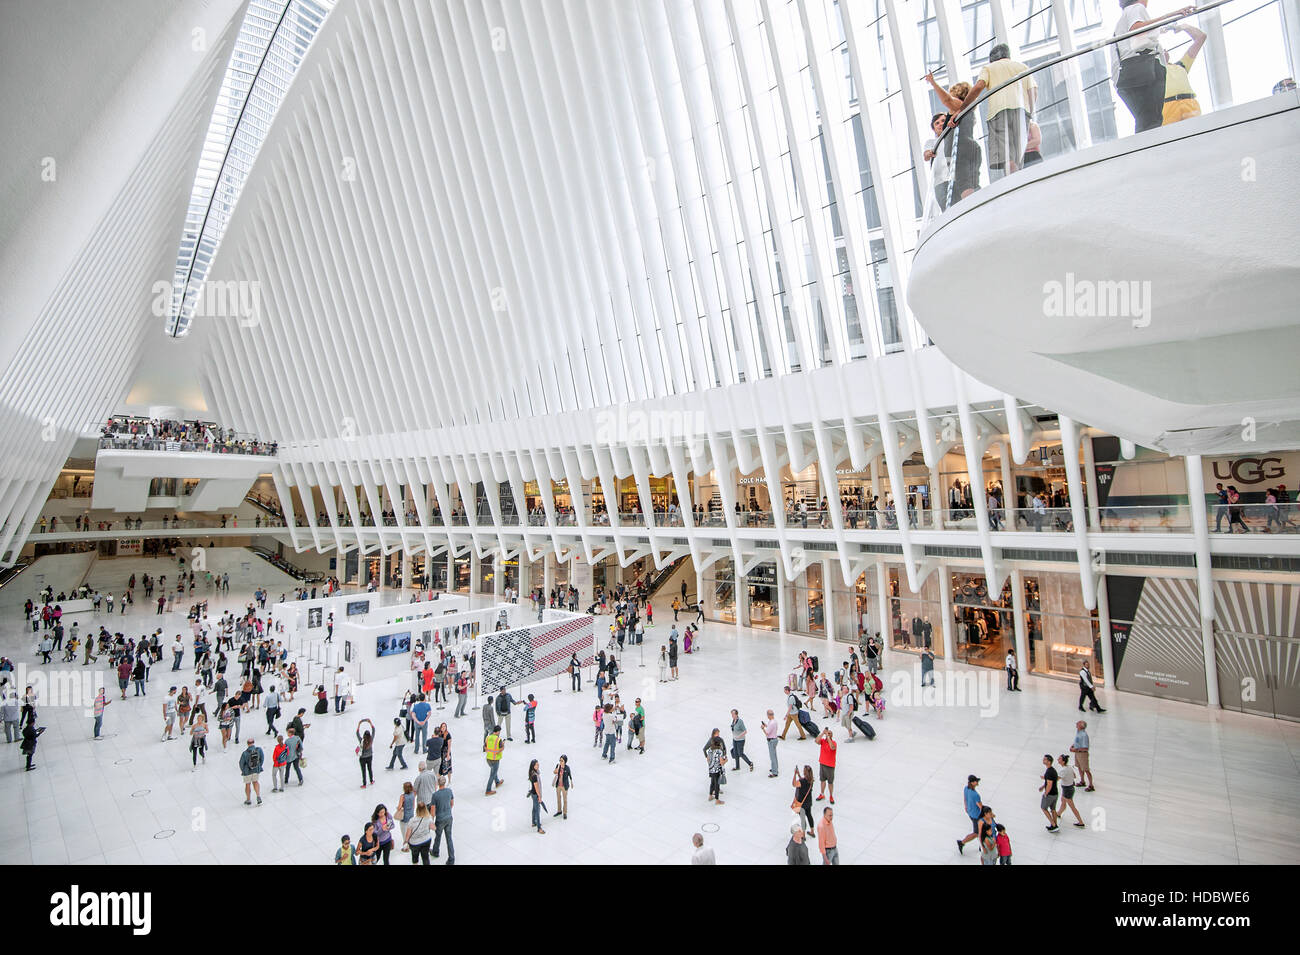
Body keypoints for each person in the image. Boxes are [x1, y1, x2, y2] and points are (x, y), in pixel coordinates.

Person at [959, 43, 1037, 181]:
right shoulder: (1022, 67)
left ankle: (1013, 183)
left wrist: (963, 107)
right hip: (1021, 112)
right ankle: (1020, 180)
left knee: (1006, 154)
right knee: (1018, 153)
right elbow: (1033, 91)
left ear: (992, 58)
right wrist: (1029, 111)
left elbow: (978, 86)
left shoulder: (989, 68)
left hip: (998, 112)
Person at [1113, 1, 1191, 133]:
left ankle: (1148, 151)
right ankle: (1153, 152)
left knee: (1146, 121)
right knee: (1152, 122)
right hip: (1144, 71)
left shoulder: (1125, 15)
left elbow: (1139, 37)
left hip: (1129, 75)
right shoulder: (1136, 8)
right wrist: (1168, 16)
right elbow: (1137, 29)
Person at [924, 75, 981, 201]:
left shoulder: (961, 106)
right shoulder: (963, 111)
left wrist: (933, 83)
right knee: (968, 184)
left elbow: (947, 100)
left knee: (965, 185)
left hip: (961, 151)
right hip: (967, 150)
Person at [1161, 22, 1206, 124]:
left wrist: (1184, 27)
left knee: (1198, 135)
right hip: (1167, 106)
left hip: (1190, 103)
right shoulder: (1154, 70)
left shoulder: (1181, 65)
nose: (1163, 51)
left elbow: (1201, 38)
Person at [923, 112, 954, 211]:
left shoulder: (954, 137)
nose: (940, 124)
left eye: (943, 121)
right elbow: (926, 155)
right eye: (937, 123)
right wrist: (930, 153)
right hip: (940, 182)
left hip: (956, 178)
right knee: (947, 210)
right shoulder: (931, 142)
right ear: (933, 129)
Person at [1056, 754, 1087, 828]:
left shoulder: (1063, 770)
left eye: (1059, 759)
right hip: (1070, 788)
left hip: (1067, 790)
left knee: (1072, 807)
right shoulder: (1069, 767)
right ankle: (1058, 813)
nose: (1058, 759)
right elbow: (1074, 776)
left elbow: (1057, 779)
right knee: (1063, 801)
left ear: (1063, 761)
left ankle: (1081, 822)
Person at [957, 775, 984, 853]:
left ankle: (981, 845)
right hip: (976, 815)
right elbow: (981, 807)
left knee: (981, 830)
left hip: (970, 812)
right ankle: (962, 842)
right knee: (976, 832)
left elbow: (965, 799)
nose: (977, 782)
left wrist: (966, 807)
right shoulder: (976, 795)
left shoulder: (966, 788)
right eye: (976, 781)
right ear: (972, 783)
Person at [431, 775, 454, 864]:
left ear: (437, 783)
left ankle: (435, 851)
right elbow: (452, 804)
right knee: (449, 838)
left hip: (440, 819)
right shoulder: (449, 791)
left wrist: (432, 820)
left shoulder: (435, 795)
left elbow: (433, 810)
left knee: (438, 836)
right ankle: (451, 858)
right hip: (448, 817)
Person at [1071, 719, 1096, 791]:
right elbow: (1077, 742)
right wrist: (1073, 746)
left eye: (1078, 723)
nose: (1076, 723)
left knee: (1085, 769)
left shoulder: (1084, 735)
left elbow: (1085, 748)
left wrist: (1076, 750)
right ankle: (1082, 781)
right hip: (1078, 753)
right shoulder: (1078, 732)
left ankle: (1091, 785)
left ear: (1081, 726)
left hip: (1082, 754)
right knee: (1079, 767)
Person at [239, 738, 264, 806]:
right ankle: (258, 797)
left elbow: (241, 763)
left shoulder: (245, 753)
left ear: (247, 744)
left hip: (247, 771)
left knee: (247, 784)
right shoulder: (259, 750)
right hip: (256, 770)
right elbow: (262, 758)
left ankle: (248, 799)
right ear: (254, 742)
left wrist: (244, 770)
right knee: (255, 782)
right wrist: (259, 766)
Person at [1040, 753, 1061, 832]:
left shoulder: (1049, 772)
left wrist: (1046, 793)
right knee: (1053, 809)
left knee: (1044, 808)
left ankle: (1053, 824)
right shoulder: (1052, 770)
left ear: (1049, 762)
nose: (1043, 760)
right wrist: (1043, 786)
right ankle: (1055, 824)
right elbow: (1048, 781)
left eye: (1045, 759)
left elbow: (1049, 784)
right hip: (1055, 793)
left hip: (1050, 794)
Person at [815, 728, 837, 803]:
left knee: (830, 782)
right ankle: (822, 794)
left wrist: (828, 737)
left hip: (830, 765)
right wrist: (822, 733)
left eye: (830, 733)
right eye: (828, 733)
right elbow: (816, 741)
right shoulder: (823, 741)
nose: (828, 734)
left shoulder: (834, 743)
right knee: (822, 780)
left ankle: (831, 796)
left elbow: (832, 747)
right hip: (822, 763)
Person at [792, 765, 815, 834]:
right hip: (808, 802)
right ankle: (812, 831)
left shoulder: (801, 781)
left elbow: (794, 784)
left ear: (804, 772)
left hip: (801, 803)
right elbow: (803, 781)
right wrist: (799, 775)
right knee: (809, 815)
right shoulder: (811, 780)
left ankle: (803, 835)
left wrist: (795, 774)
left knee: (802, 818)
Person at [730, 709, 754, 773]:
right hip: (735, 740)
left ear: (736, 714)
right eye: (731, 714)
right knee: (735, 753)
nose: (732, 715)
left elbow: (745, 731)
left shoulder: (740, 721)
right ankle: (737, 766)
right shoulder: (733, 720)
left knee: (740, 753)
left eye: (733, 714)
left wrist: (739, 736)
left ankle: (750, 763)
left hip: (740, 740)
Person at [527, 759, 546, 834]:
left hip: (533, 793)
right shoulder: (534, 775)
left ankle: (533, 822)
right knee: (537, 810)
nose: (538, 766)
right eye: (536, 765)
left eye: (538, 764)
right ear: (533, 766)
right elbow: (536, 787)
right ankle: (539, 827)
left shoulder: (533, 772)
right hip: (535, 794)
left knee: (534, 808)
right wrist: (539, 796)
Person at [484, 725, 504, 795]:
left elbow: (485, 747)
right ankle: (488, 790)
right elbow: (501, 749)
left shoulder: (488, 737)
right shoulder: (498, 740)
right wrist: (503, 745)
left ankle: (497, 782)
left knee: (493, 771)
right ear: (498, 732)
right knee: (492, 774)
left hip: (488, 759)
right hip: (495, 759)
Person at [705, 735, 726, 804]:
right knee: (717, 785)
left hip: (711, 769)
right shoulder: (719, 751)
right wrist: (726, 760)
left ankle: (710, 796)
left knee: (712, 783)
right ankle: (717, 800)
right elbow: (721, 762)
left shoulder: (710, 750)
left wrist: (711, 765)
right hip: (717, 770)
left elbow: (708, 759)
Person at [356, 718, 375, 788]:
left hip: (362, 758)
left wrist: (359, 724)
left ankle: (364, 784)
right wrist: (370, 723)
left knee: (363, 771)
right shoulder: (371, 740)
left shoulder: (362, 740)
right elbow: (373, 730)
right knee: (370, 769)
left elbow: (357, 733)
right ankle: (371, 780)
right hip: (370, 756)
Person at [552, 754, 572, 819]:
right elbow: (554, 772)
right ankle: (559, 810)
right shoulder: (558, 766)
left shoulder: (567, 768)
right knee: (558, 798)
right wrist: (557, 769)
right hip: (558, 785)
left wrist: (571, 782)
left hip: (564, 786)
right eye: (560, 760)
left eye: (562, 761)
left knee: (565, 800)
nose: (560, 762)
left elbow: (570, 775)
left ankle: (565, 812)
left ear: (565, 761)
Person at [761, 709, 780, 777]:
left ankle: (775, 772)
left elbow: (767, 733)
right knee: (774, 755)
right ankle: (775, 768)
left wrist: (763, 728)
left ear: (769, 715)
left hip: (771, 740)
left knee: (772, 757)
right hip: (775, 739)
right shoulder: (774, 722)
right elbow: (771, 728)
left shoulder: (771, 723)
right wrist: (766, 725)